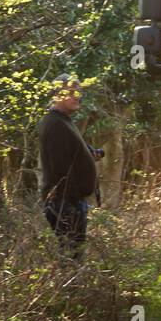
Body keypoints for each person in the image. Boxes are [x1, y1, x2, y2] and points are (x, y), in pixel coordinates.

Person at [38, 78, 101, 256]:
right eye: (71, 92)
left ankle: (73, 283)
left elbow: (71, 156)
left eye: (79, 92)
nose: (77, 97)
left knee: (75, 253)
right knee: (71, 255)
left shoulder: (63, 121)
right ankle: (69, 284)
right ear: (58, 93)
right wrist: (68, 203)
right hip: (64, 202)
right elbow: (58, 168)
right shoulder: (55, 124)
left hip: (71, 201)